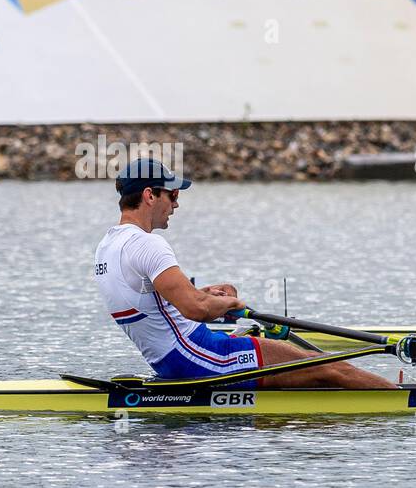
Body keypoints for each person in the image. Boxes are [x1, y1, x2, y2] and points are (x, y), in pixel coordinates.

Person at [93, 158, 395, 388]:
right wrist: (228, 304)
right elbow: (195, 309)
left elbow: (155, 300)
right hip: (201, 356)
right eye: (171, 195)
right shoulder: (149, 244)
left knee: (309, 370)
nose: (176, 203)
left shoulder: (107, 247)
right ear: (149, 195)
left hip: (171, 361)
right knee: (331, 367)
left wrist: (208, 293)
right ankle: (404, 400)